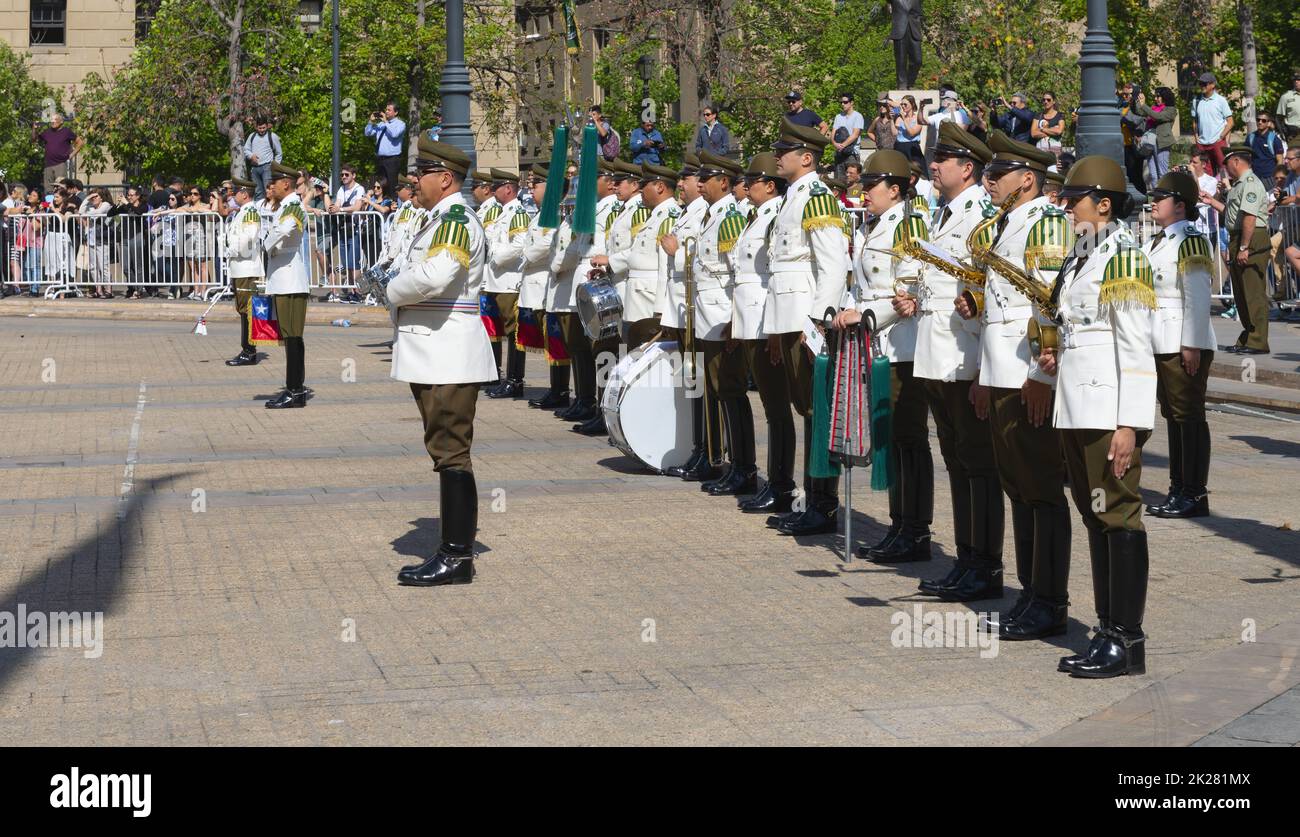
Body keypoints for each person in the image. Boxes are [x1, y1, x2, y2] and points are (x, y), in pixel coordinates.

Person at [1047, 155, 1156, 679]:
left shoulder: (1124, 258)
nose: (1067, 210)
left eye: (1075, 202)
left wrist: (1129, 423)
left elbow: (1136, 347)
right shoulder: (1082, 255)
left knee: (1118, 514)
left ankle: (1127, 639)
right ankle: (1106, 629)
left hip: (1106, 410)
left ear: (1104, 205)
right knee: (1095, 516)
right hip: (1076, 406)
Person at [967, 133, 1075, 633]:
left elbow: (1051, 304)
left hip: (1028, 378)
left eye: (997, 175)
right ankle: (1031, 593)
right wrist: (986, 376)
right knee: (1018, 488)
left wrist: (1039, 375)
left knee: (1041, 489)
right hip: (1002, 374)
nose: (987, 183)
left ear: (1027, 179)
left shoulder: (1047, 223)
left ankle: (1049, 601)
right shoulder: (1007, 225)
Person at [387, 138, 495, 587]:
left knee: (452, 453)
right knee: (445, 452)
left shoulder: (453, 221)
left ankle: (456, 555)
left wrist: (392, 288)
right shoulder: (437, 219)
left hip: (447, 353)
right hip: (436, 352)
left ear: (445, 178)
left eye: (423, 173)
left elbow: (437, 276)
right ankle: (454, 551)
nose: (416, 181)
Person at [834, 150, 936, 563]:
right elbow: (860, 285)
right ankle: (899, 524)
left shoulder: (909, 224)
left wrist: (867, 316)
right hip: (877, 342)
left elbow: (909, 291)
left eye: (872, 186)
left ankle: (915, 530)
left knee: (909, 439)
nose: (865, 193)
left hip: (903, 343)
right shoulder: (877, 226)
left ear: (895, 190)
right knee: (893, 440)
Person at [761, 118, 847, 536]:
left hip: (805, 321)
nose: (778, 156)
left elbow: (833, 265)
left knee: (816, 414)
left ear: (807, 157)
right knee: (807, 412)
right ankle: (814, 501)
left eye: (786, 151)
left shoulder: (815, 196)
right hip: (790, 320)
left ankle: (823, 505)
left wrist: (817, 323)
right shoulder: (794, 196)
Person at [1141, 172, 1216, 521]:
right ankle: (1178, 488)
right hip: (1162, 339)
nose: (1154, 202)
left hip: (1182, 342)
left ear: (1180, 206)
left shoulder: (1191, 239)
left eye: (1162, 197)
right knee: (1175, 418)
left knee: (1189, 417)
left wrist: (1192, 345)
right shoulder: (1158, 240)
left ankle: (1194, 492)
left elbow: (1198, 298)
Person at [724, 153, 796, 513]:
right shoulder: (758, 216)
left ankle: (781, 484)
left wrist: (772, 332)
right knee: (771, 406)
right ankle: (773, 480)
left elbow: (770, 282)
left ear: (769, 185)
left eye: (751, 182)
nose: (745, 187)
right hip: (750, 323)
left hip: (765, 324)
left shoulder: (775, 216)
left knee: (777, 408)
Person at [684, 151, 752, 494]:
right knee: (716, 390)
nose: (699, 183)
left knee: (731, 392)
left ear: (723, 182)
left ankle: (744, 467)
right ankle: (724, 461)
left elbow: (737, 274)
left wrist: (733, 321)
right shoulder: (711, 216)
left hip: (722, 318)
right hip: (707, 316)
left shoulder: (730, 218)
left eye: (705, 178)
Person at [547, 160, 620, 431]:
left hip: (599, 278)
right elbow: (579, 243)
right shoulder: (595, 208)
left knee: (603, 351)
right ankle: (588, 401)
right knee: (585, 348)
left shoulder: (611, 209)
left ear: (608, 180)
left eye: (595, 177)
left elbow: (602, 245)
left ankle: (602, 407)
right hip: (585, 278)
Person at [520, 163, 574, 410]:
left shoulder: (556, 211)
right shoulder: (542, 211)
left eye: (537, 185)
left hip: (547, 277)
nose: (532, 190)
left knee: (557, 340)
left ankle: (561, 390)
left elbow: (547, 244)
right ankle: (556, 388)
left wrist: (527, 255)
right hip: (545, 284)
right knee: (553, 340)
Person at [262, 163, 311, 408]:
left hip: (290, 278)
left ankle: (295, 389)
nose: (271, 186)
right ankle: (295, 388)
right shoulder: (285, 206)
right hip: (282, 278)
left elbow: (283, 230)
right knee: (290, 337)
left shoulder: (293, 206)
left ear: (286, 184)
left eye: (275, 182)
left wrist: (265, 244)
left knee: (293, 337)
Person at [483, 169, 531, 400]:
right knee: (502, 331)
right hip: (497, 280)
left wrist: (497, 256)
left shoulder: (518, 212)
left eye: (497, 187)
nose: (493, 192)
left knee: (514, 333)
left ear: (509, 189)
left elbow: (519, 244)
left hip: (508, 280)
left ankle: (515, 380)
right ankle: (505, 378)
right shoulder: (504, 212)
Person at [224, 179, 266, 367]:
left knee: (247, 310)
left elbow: (248, 238)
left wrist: (230, 251)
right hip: (241, 267)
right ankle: (247, 349)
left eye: (236, 192)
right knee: (243, 309)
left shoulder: (250, 211)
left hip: (246, 266)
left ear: (244, 194)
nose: (233, 196)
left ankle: (249, 351)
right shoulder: (244, 212)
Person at [330, 165, 367, 302]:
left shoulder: (359, 189)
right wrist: (334, 208)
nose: (343, 177)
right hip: (343, 228)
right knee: (346, 263)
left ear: (353, 175)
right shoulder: (341, 189)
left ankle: (357, 292)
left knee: (354, 263)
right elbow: (338, 203)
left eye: (346, 174)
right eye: (342, 175)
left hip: (355, 229)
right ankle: (352, 291)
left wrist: (340, 208)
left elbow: (357, 207)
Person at [1132, 88, 1177, 190]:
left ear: (1165, 97)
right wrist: (1136, 99)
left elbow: (1158, 116)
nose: (1156, 99)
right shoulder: (1153, 108)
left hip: (1162, 142)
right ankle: (1156, 196)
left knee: (1162, 172)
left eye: (1158, 96)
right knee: (1152, 174)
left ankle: (1165, 194)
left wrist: (1144, 105)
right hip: (1150, 143)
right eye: (1155, 96)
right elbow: (1138, 111)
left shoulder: (1171, 110)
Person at [1191, 72, 1234, 177]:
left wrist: (1221, 137)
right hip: (1202, 143)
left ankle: (1224, 191)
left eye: (1204, 84)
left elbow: (1230, 122)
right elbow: (1194, 121)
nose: (1202, 86)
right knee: (1204, 172)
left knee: (1223, 169)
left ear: (1212, 85)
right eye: (1200, 84)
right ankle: (1206, 192)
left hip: (1217, 142)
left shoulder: (1221, 100)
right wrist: (1196, 138)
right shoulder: (1196, 101)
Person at [33, 114, 83, 197]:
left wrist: (71, 155)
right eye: (52, 119)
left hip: (60, 164)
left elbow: (80, 142)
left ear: (61, 121)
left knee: (61, 188)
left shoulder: (66, 131)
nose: (53, 121)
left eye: (55, 119)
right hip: (48, 165)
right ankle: (49, 208)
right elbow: (34, 139)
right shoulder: (47, 132)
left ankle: (61, 208)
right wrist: (34, 129)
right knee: (48, 190)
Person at [365, 102, 407, 199]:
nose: (386, 112)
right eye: (386, 110)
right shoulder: (381, 124)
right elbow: (368, 133)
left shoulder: (400, 124)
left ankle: (393, 206)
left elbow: (394, 134)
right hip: (380, 159)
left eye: (389, 110)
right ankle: (381, 205)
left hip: (392, 160)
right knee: (380, 185)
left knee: (392, 185)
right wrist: (370, 122)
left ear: (395, 112)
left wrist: (386, 122)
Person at [243, 116, 283, 201]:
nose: (262, 130)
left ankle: (270, 209)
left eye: (264, 128)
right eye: (260, 128)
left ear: (267, 126)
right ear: (256, 127)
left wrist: (275, 166)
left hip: (267, 167)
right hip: (255, 168)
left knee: (268, 190)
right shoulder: (252, 136)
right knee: (257, 192)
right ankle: (259, 211)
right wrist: (251, 156)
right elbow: (246, 149)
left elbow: (279, 153)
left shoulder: (272, 136)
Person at [1245, 113, 1285, 182]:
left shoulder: (1274, 139)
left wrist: (1278, 178)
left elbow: (1280, 160)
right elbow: (1245, 156)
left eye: (1263, 120)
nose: (1260, 122)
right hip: (1254, 175)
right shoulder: (1251, 137)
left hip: (1270, 176)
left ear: (1268, 123)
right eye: (1258, 120)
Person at [831, 93, 865, 174]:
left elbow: (855, 135)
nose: (843, 104)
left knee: (852, 180)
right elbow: (833, 133)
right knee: (839, 181)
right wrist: (834, 143)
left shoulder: (858, 116)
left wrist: (842, 145)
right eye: (841, 102)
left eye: (845, 102)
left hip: (852, 154)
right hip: (839, 153)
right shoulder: (838, 116)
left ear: (852, 102)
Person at [893, 96, 925, 168]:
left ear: (912, 104)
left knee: (916, 170)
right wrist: (892, 119)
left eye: (905, 104)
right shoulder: (899, 118)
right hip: (899, 147)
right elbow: (894, 133)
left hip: (912, 148)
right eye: (902, 104)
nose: (903, 106)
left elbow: (912, 133)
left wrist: (904, 119)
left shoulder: (917, 118)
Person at [1031, 91, 1065, 156]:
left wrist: (1041, 129)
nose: (1046, 102)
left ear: (1054, 101)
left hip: (1055, 150)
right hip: (1040, 150)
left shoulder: (1060, 115)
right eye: (1044, 100)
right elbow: (1033, 133)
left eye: (1048, 100)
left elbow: (1059, 131)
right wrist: (1052, 130)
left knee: (1054, 166)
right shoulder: (1038, 115)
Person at [1276, 71, 1300, 137]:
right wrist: (1282, 133)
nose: (1296, 82)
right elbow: (1278, 118)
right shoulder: (1286, 96)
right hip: (1294, 133)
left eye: (1299, 79)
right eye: (1294, 80)